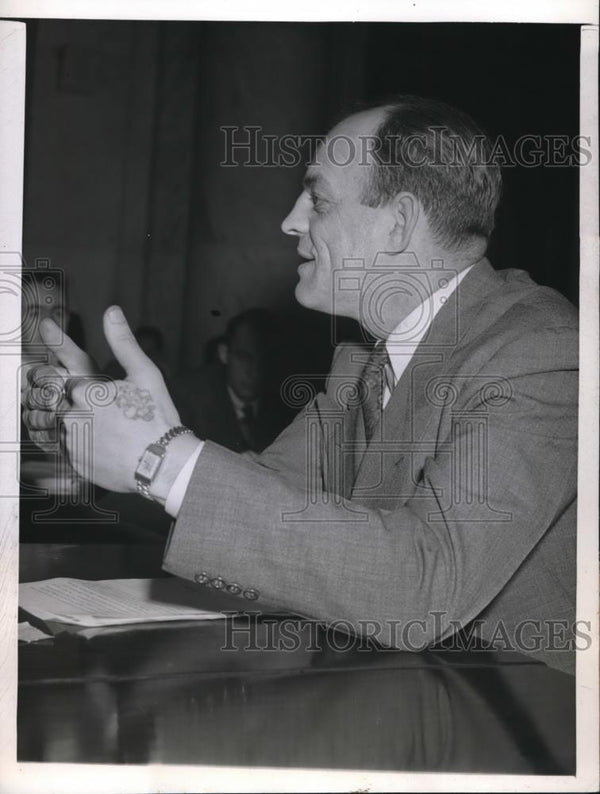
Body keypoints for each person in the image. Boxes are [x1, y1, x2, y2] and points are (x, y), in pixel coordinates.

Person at [23, 96, 578, 673]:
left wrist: (160, 459)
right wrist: (109, 429)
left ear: (398, 223)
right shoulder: (362, 362)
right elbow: (261, 500)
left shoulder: (539, 350)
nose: (290, 221)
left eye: (318, 200)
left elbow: (426, 586)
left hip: (524, 712)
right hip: (404, 690)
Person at [171, 309, 293, 453]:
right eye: (244, 357)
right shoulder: (186, 398)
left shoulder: (288, 404)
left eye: (264, 359)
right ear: (224, 354)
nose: (253, 371)